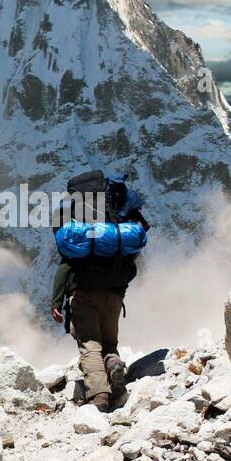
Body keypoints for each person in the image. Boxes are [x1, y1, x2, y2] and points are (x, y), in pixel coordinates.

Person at [49, 172, 148, 412]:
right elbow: (132, 259)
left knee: (90, 344)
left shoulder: (78, 224)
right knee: (109, 342)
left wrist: (56, 300)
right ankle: (113, 363)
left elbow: (66, 265)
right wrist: (122, 281)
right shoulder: (114, 217)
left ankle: (99, 397)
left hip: (83, 292)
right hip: (113, 292)